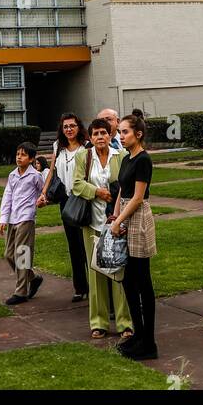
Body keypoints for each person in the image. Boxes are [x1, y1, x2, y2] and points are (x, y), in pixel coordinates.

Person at [71, 117, 134, 341]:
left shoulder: (122, 156)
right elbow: (76, 184)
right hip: (91, 222)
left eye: (103, 133)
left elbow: (129, 185)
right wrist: (97, 191)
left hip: (116, 222)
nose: (100, 137)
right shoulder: (83, 156)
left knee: (118, 270)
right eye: (96, 133)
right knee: (95, 271)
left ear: (110, 135)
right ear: (90, 137)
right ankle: (98, 323)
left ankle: (125, 322)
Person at [110, 110, 158, 360]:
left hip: (138, 218)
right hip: (125, 215)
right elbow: (122, 190)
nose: (121, 135)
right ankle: (138, 335)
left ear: (138, 134)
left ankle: (149, 342)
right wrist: (115, 216)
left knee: (142, 280)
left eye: (125, 131)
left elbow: (138, 197)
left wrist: (120, 219)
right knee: (128, 280)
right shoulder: (127, 158)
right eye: (119, 132)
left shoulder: (143, 159)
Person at [36, 112, 89, 302]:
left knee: (87, 245)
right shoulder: (58, 146)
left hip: (84, 198)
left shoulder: (87, 146)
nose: (69, 129)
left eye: (72, 126)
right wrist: (43, 193)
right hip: (67, 200)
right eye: (66, 126)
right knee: (73, 245)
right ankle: (80, 287)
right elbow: (52, 171)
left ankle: (95, 286)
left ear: (79, 127)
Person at [0, 141, 44, 306]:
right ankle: (33, 278)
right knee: (9, 255)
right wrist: (3, 219)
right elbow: (7, 197)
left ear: (31, 159)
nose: (19, 157)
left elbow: (42, 193)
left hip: (26, 218)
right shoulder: (12, 175)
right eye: (18, 154)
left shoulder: (35, 176)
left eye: (23, 155)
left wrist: (41, 201)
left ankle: (21, 292)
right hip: (12, 218)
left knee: (22, 255)